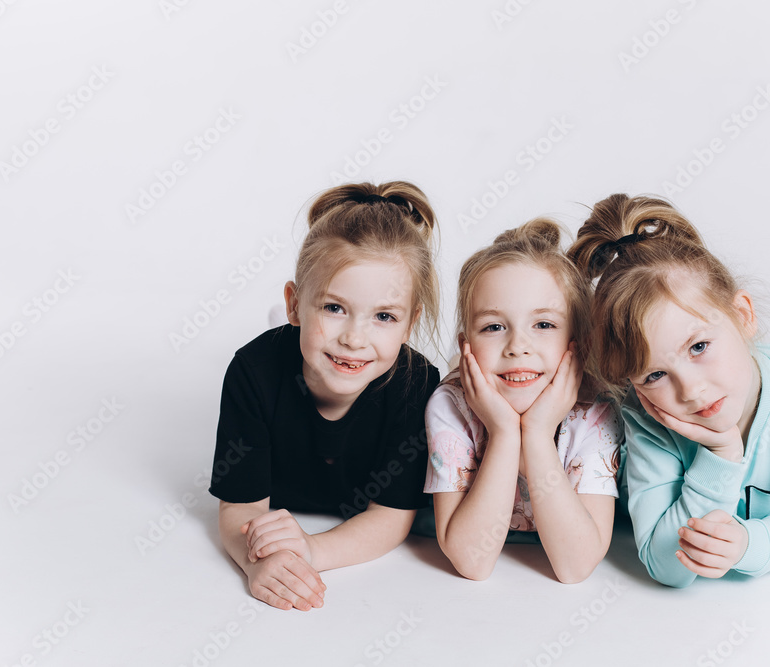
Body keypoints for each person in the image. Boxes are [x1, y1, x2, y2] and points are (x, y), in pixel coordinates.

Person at [569, 194, 770, 587]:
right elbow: (667, 567)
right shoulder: (646, 415)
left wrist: (748, 544)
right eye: (655, 375)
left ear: (743, 316)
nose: (692, 391)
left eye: (699, 347)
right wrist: (722, 455)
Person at [209, 181, 441, 610]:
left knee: (327, 348)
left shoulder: (416, 383)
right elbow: (239, 508)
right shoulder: (253, 371)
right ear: (295, 303)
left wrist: (311, 551)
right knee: (307, 350)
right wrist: (259, 560)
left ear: (410, 325)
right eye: (334, 308)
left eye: (384, 316)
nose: (355, 338)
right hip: (287, 357)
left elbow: (391, 516)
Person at [424, 218, 621, 583]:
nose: (518, 346)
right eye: (493, 327)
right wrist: (503, 433)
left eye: (544, 325)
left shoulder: (594, 413)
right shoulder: (449, 406)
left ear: (580, 342)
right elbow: (473, 562)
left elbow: (575, 567)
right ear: (465, 345)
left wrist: (536, 432)